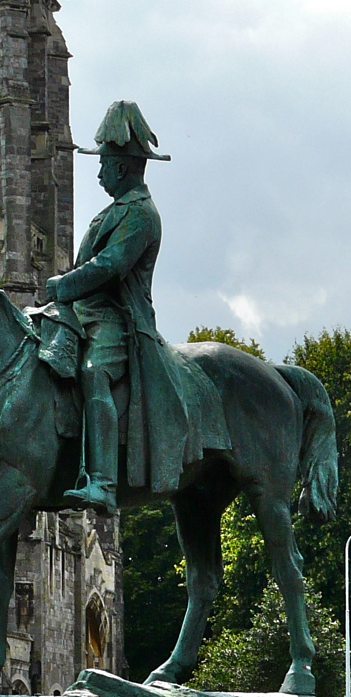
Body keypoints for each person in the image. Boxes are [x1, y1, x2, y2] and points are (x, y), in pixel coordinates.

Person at [42, 101, 222, 513]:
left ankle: (103, 482)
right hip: (83, 315)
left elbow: (109, 266)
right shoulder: (112, 211)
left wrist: (63, 285)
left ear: (122, 167)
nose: (99, 170)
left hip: (117, 323)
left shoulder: (141, 214)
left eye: (103, 162)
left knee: (93, 374)